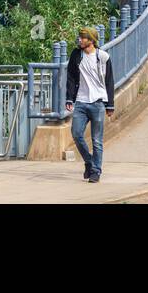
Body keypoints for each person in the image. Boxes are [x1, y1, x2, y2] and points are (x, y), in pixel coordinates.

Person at [66, 27, 115, 183]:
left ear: (91, 40)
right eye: (79, 37)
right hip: (80, 101)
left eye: (82, 37)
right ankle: (89, 161)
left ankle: (95, 171)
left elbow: (109, 81)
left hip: (98, 103)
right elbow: (71, 77)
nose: (79, 40)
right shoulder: (76, 55)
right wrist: (69, 98)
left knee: (97, 140)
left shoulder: (103, 57)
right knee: (76, 134)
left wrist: (110, 105)